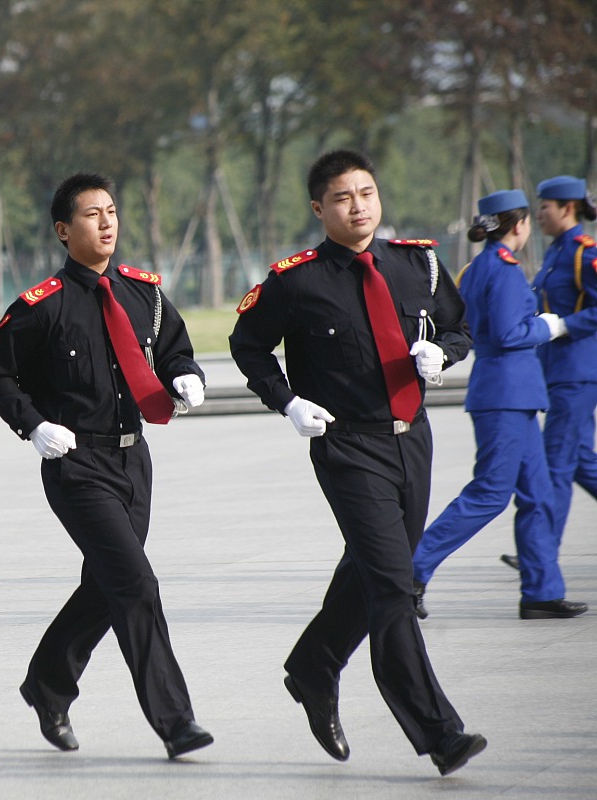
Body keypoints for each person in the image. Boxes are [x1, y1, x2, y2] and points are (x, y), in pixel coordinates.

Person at [228, 150, 487, 776]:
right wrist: (287, 402)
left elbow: (460, 326)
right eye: (343, 197)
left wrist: (443, 355)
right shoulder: (295, 281)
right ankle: (439, 732)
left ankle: (314, 668)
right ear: (320, 208)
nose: (359, 205)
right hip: (347, 446)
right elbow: (248, 345)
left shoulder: (416, 263)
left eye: (366, 192)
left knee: (375, 572)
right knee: (396, 587)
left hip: (411, 437)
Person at [0, 172, 213, 760]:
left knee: (110, 583)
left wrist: (186, 374)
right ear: (63, 230)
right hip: (76, 464)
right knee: (136, 583)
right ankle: (175, 722)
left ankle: (48, 684)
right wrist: (31, 424)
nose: (106, 222)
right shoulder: (42, 307)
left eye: (111, 211)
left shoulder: (143, 293)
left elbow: (175, 345)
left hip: (135, 461)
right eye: (91, 215)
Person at [412, 190, 586, 620]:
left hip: (513, 394)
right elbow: (509, 333)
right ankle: (411, 570)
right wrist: (548, 327)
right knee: (491, 493)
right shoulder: (503, 270)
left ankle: (542, 592)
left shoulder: (477, 268)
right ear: (520, 224)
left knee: (539, 495)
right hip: (506, 395)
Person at [531, 175, 597, 557]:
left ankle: (540, 555)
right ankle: (540, 553)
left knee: (555, 462)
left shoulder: (583, 252)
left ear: (567, 208)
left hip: (577, 370)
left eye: (545, 207)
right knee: (578, 461)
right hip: (558, 371)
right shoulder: (557, 251)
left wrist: (566, 325)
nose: (539, 214)